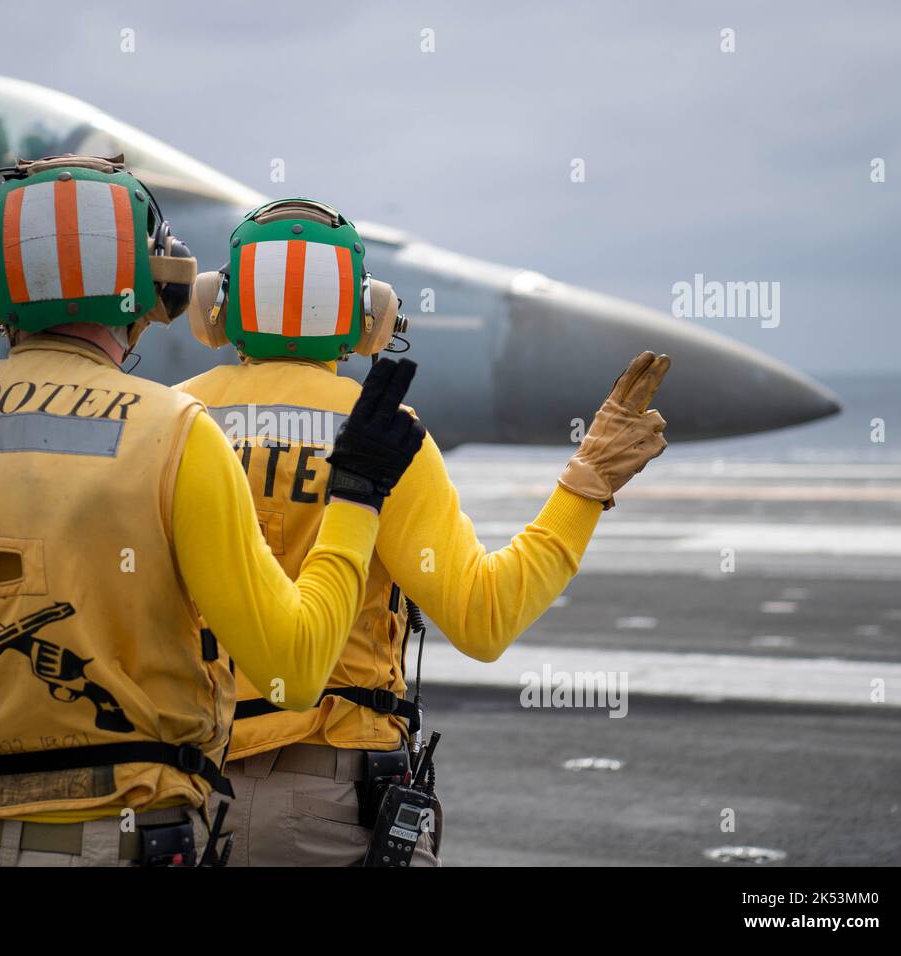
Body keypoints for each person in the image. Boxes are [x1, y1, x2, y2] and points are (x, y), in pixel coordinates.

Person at [0, 161, 425, 867]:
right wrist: (355, 495)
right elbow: (292, 665)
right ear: (154, 290)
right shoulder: (175, 429)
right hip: (133, 837)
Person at [175, 197, 670, 866]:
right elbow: (483, 617)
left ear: (217, 307)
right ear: (371, 317)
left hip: (179, 800)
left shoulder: (170, 423)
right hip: (326, 808)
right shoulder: (384, 435)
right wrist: (587, 482)